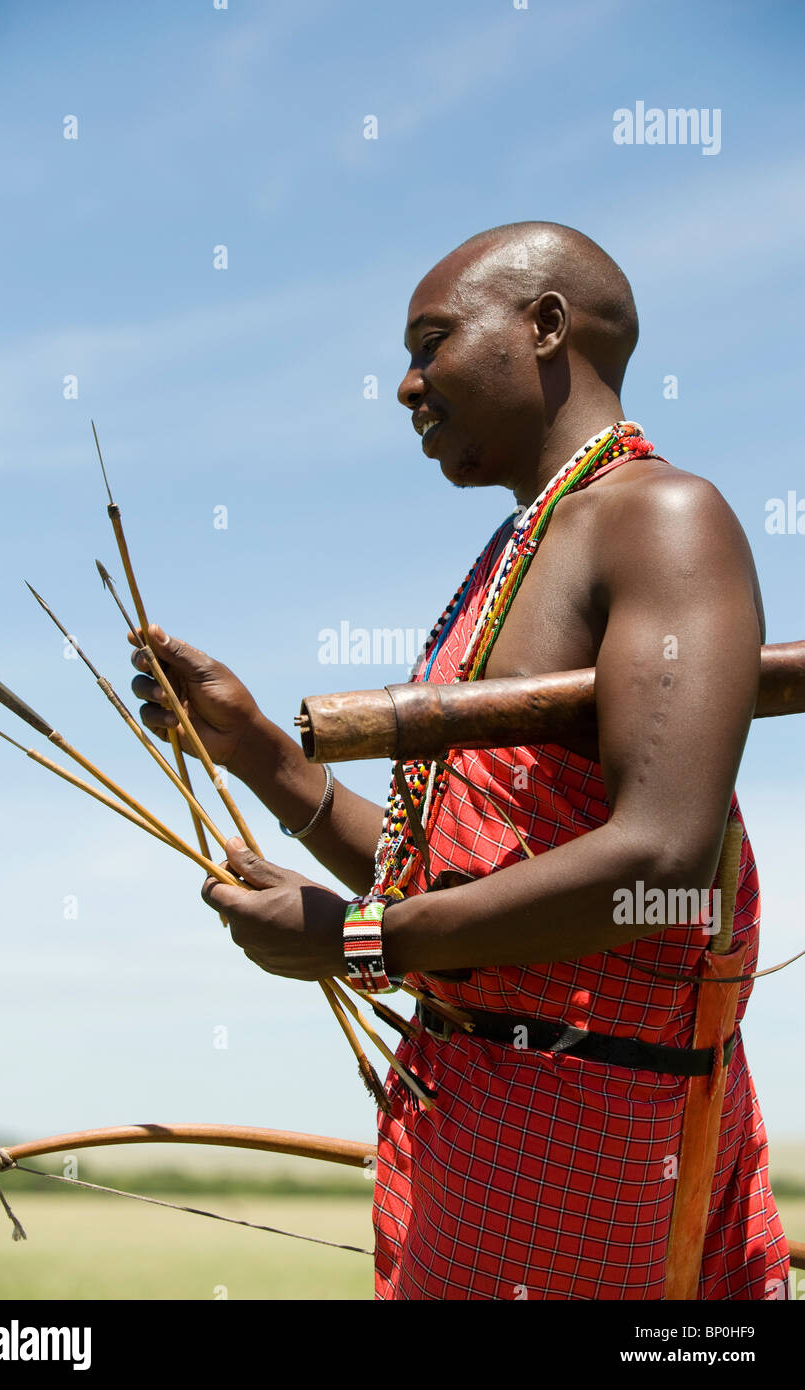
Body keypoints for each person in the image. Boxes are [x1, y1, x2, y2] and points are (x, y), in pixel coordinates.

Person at [130, 222, 789, 1300]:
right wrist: (253, 749)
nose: (404, 385)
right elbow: (451, 882)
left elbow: (660, 869)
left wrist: (357, 938)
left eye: (429, 342)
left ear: (543, 326)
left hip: (590, 1137)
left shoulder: (663, 519)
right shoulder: (522, 545)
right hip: (471, 1108)